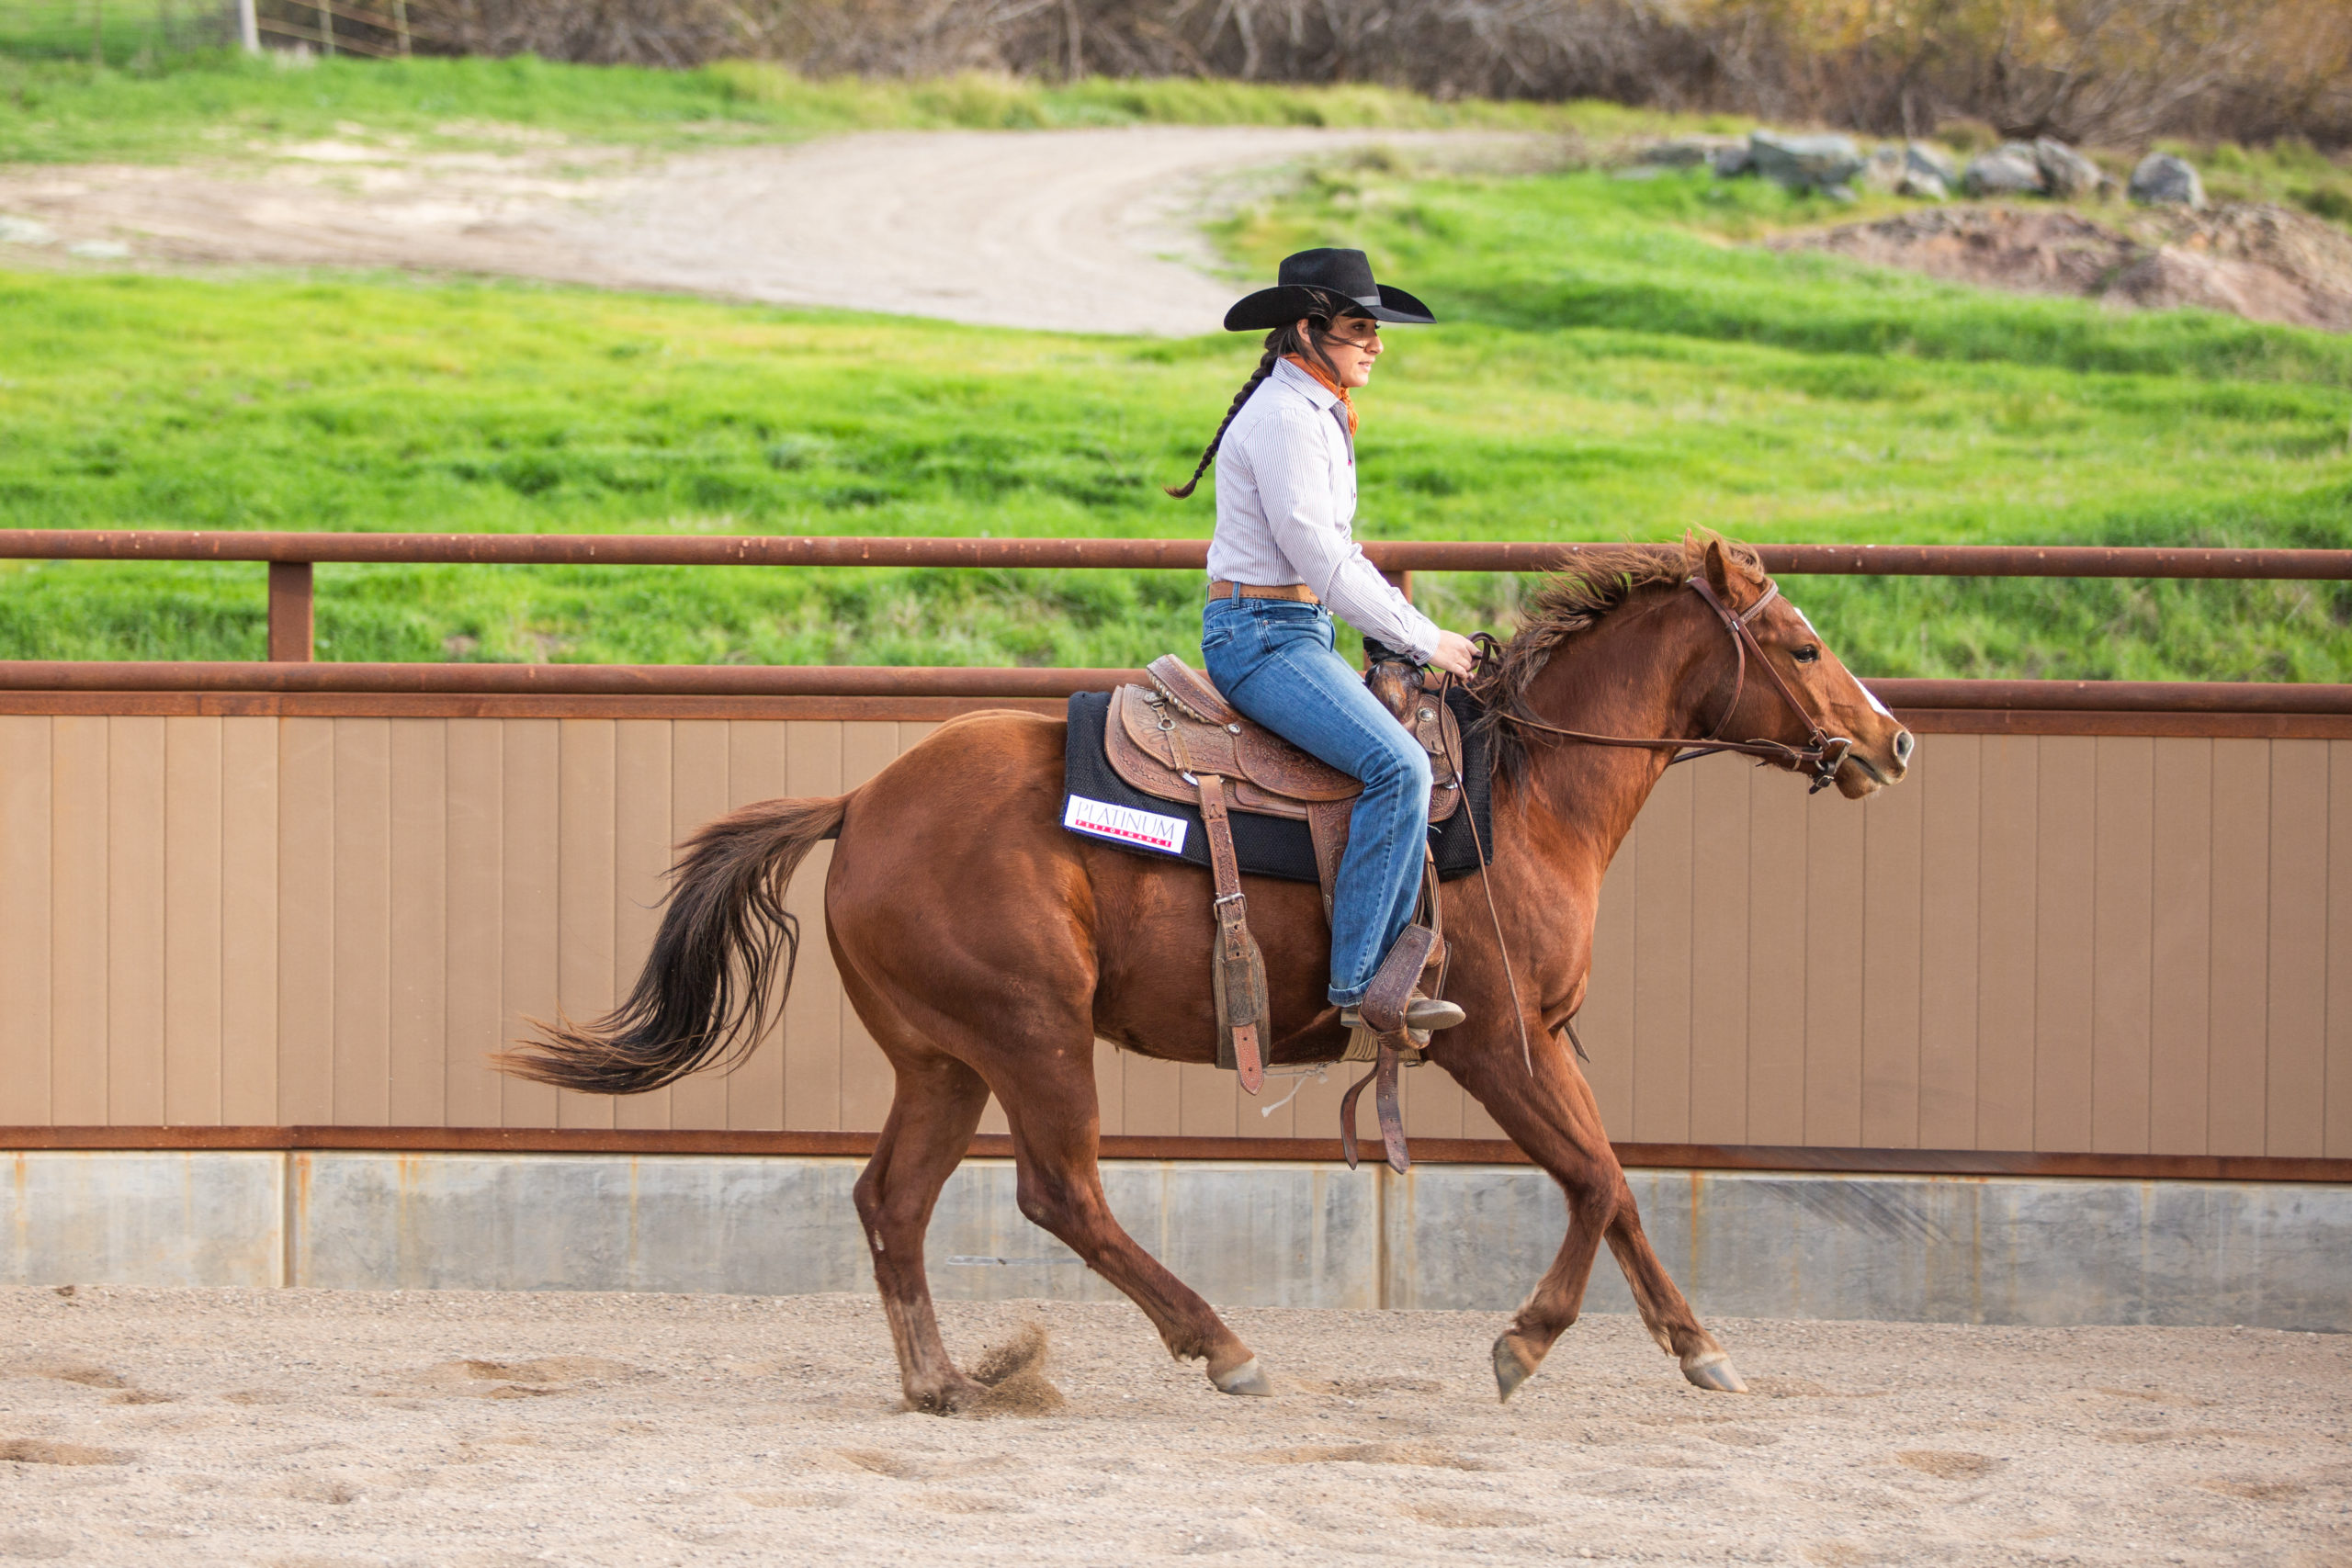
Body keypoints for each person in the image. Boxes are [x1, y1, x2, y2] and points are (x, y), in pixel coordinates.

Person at [1166, 248, 1477, 1034]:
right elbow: (1328, 563)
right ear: (1306, 331)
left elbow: (1333, 561)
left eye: (1377, 330)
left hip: (1294, 629)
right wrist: (1422, 636)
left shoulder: (1313, 412)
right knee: (1399, 766)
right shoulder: (1284, 423)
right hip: (1263, 638)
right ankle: (1363, 984)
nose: (1376, 345)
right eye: (1359, 329)